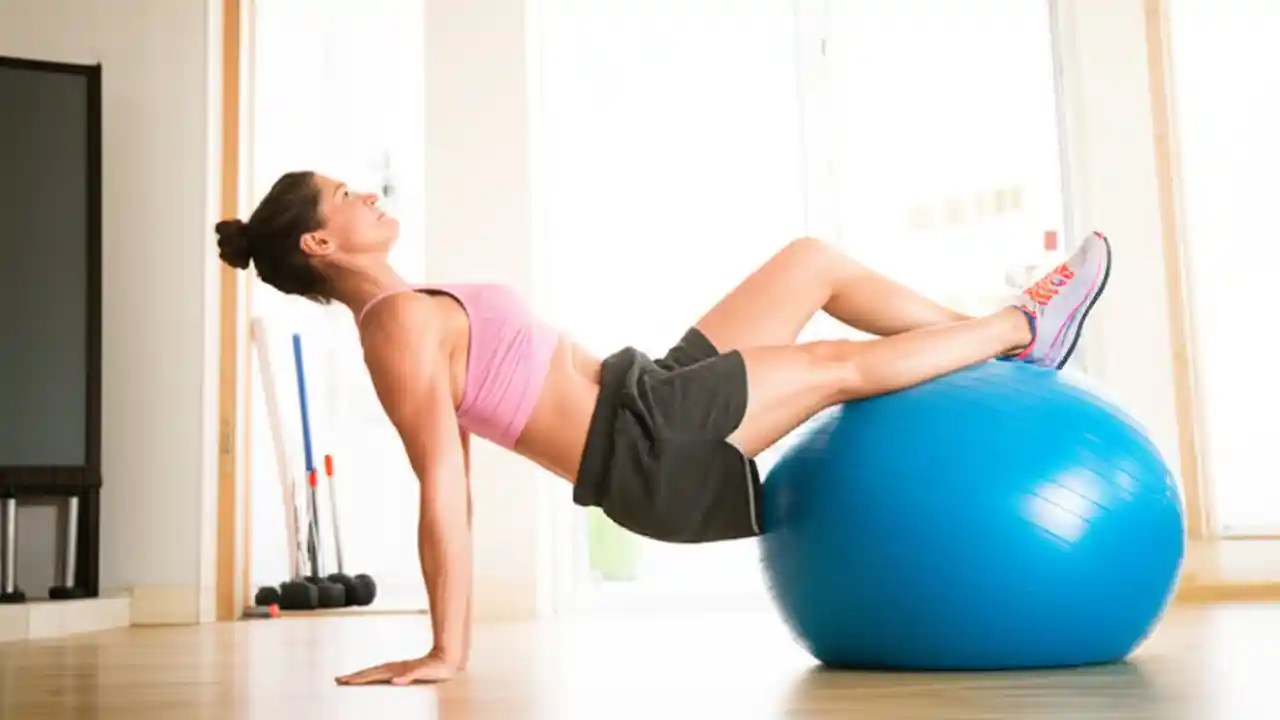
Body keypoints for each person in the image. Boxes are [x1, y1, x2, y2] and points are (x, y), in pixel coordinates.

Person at [216, 171, 1111, 685]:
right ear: (320, 245)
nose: (366, 194)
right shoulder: (395, 330)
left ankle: (987, 342)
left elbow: (462, 470)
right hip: (646, 446)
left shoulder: (411, 308)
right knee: (836, 364)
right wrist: (449, 649)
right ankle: (1023, 327)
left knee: (812, 265)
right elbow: (444, 487)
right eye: (345, 195)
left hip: (648, 391)